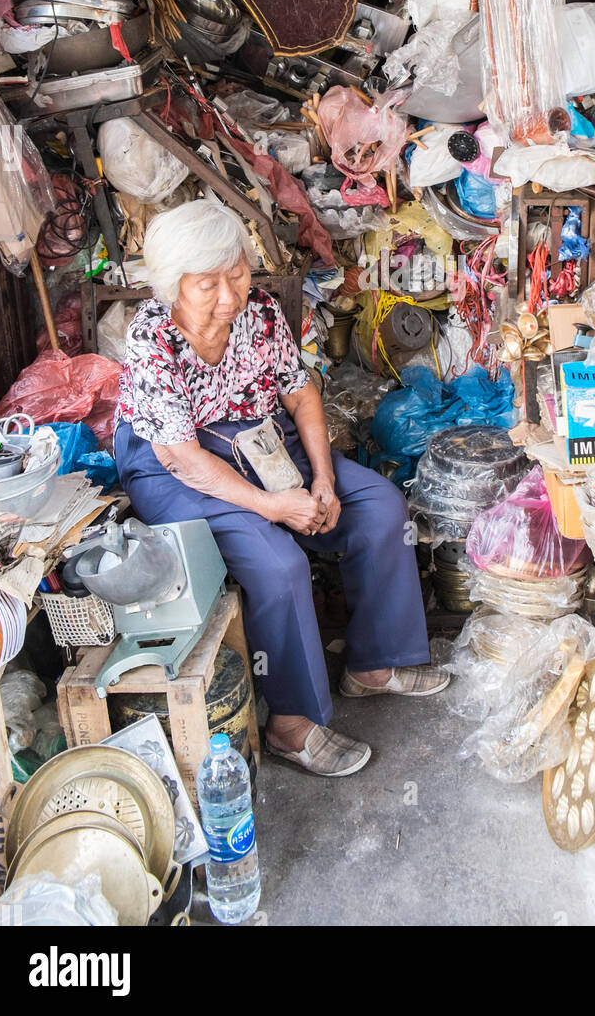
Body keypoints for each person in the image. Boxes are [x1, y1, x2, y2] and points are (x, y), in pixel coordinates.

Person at [113, 199, 448, 778]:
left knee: (380, 506)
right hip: (175, 460)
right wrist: (272, 505)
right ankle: (291, 724)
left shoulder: (261, 312)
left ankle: (373, 664)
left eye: (237, 274)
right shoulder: (151, 337)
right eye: (207, 285)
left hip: (259, 440)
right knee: (277, 562)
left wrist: (321, 477)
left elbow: (300, 394)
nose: (230, 296)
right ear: (171, 287)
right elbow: (185, 457)